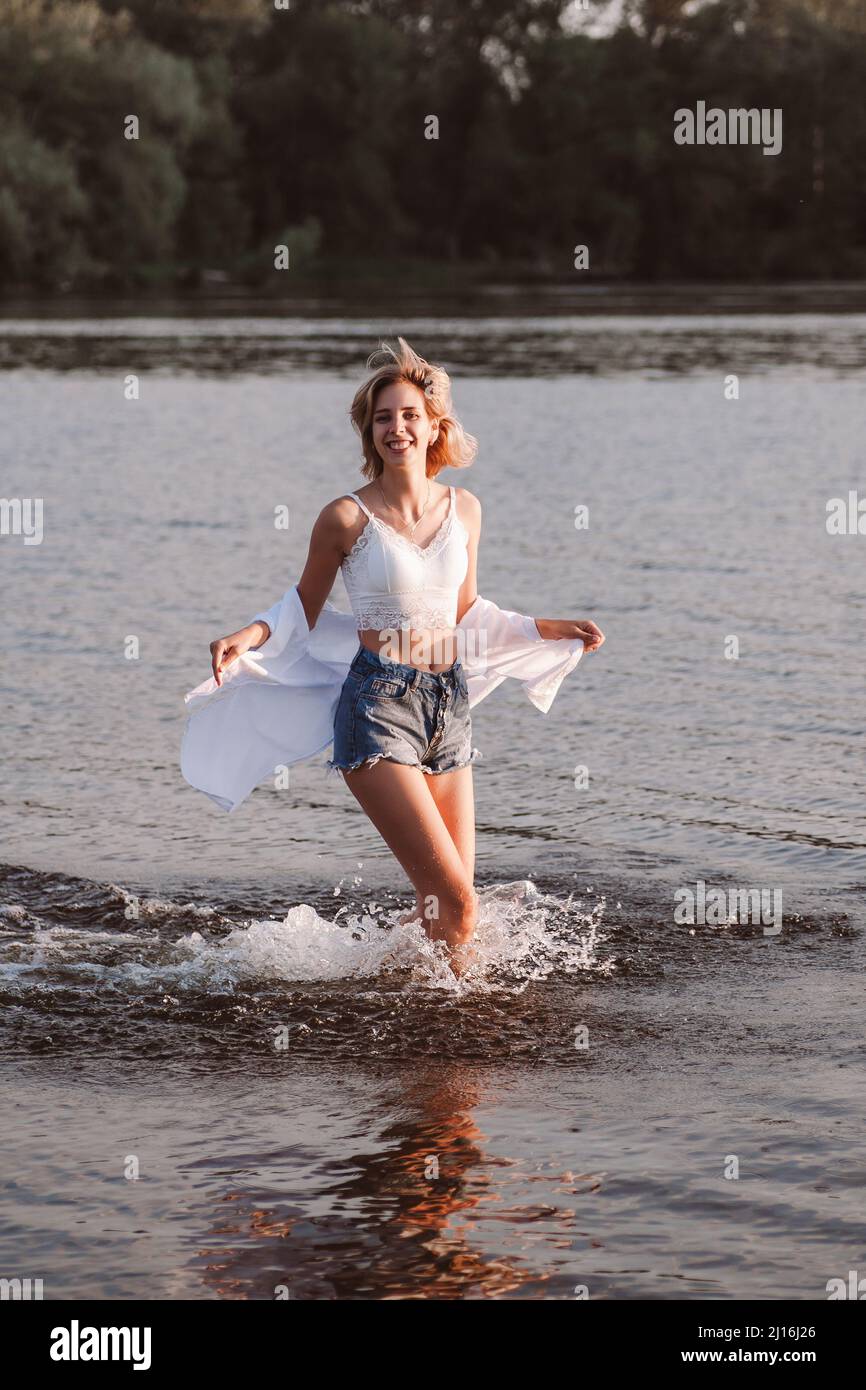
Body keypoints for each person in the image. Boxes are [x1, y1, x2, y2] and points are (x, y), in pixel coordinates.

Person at [192, 338, 604, 973]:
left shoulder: (464, 509)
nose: (397, 427)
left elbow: (465, 615)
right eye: (383, 417)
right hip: (377, 707)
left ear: (434, 425)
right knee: (461, 906)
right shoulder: (346, 518)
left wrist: (546, 628)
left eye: (409, 414)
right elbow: (299, 609)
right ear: (370, 432)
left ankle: (383, 984)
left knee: (446, 909)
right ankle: (444, 1035)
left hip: (449, 707)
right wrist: (247, 636)